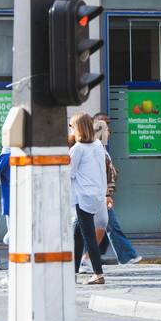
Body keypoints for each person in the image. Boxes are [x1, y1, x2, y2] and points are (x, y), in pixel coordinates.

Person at [93, 114, 142, 267]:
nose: (110, 130)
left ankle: (91, 257)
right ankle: (126, 256)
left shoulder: (100, 148)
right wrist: (106, 194)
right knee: (110, 226)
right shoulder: (95, 148)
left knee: (105, 226)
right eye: (106, 126)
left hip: (102, 194)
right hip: (100, 195)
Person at [70, 112, 109, 285]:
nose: (70, 129)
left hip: (83, 196)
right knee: (78, 234)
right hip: (97, 194)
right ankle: (71, 272)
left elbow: (69, 173)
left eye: (71, 126)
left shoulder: (77, 149)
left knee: (88, 237)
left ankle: (98, 274)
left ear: (77, 128)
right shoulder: (98, 145)